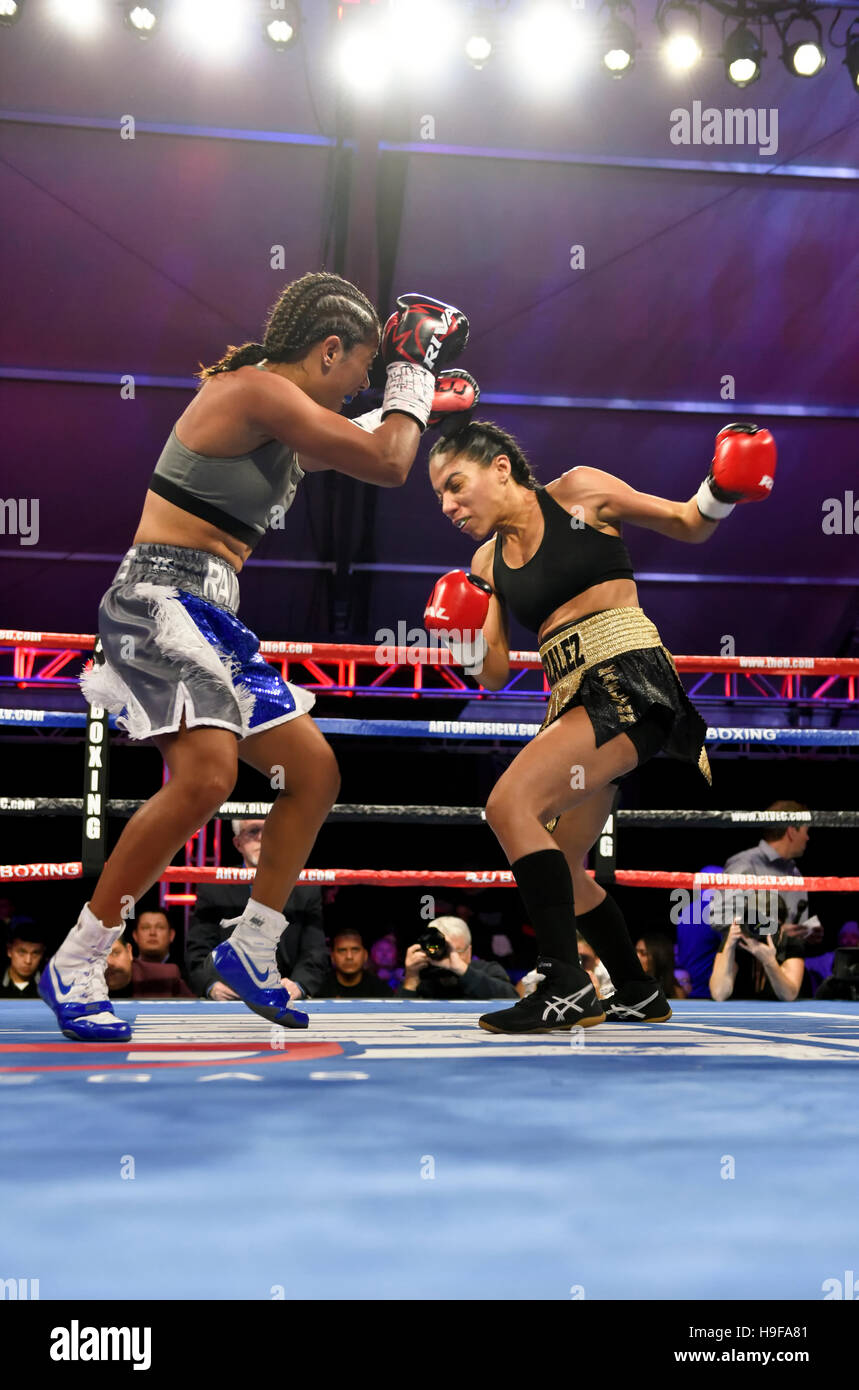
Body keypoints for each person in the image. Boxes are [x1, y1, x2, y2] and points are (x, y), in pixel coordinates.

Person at [37, 275, 469, 1042]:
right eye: (358, 371)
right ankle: (77, 958)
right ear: (327, 348)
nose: (357, 388)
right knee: (207, 775)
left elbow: (372, 435)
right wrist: (413, 372)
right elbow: (389, 460)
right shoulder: (255, 390)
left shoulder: (283, 420)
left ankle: (253, 945)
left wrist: (417, 394)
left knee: (313, 771)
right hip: (157, 600)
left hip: (213, 616)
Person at [426, 417, 776, 1033]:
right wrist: (460, 637)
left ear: (500, 466)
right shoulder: (486, 561)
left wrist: (723, 486)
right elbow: (492, 673)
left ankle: (564, 982)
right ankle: (637, 990)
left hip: (628, 680)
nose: (449, 505)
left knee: (509, 805)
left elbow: (687, 522)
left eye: (456, 485)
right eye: (440, 497)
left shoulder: (580, 493)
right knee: (561, 858)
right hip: (572, 701)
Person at [185, 817, 326, 1001]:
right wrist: (211, 985)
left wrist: (298, 985)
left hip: (285, 998)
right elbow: (197, 951)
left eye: (271, 831)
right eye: (253, 831)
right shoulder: (214, 888)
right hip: (229, 1000)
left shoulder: (304, 888)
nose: (263, 838)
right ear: (238, 843)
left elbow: (315, 951)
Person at [722, 801, 823, 953]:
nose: (807, 838)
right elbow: (722, 919)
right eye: (805, 831)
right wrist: (776, 930)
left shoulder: (796, 874)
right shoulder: (745, 864)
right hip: (750, 967)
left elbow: (792, 928)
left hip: (788, 969)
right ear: (791, 831)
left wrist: (806, 932)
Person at [708, 899, 805, 1002]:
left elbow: (789, 995)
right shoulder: (737, 941)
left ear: (782, 927)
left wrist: (770, 962)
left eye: (772, 926)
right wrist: (729, 946)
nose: (764, 931)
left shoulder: (789, 944)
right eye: (758, 925)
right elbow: (719, 994)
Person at [398, 916, 517, 1000]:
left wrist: (463, 970)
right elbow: (396, 1019)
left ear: (469, 951)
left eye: (455, 951)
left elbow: (512, 1000)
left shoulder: (488, 970)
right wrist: (411, 979)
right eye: (442, 949)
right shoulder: (421, 974)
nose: (448, 955)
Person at [105, 937, 195, 999]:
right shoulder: (90, 985)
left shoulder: (165, 977)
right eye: (100, 956)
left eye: (115, 953)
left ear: (129, 951)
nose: (109, 962)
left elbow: (195, 1012)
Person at [316, 930, 391, 998]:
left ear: (365, 955)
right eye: (342, 950)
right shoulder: (318, 989)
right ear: (332, 957)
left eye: (355, 950)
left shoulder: (380, 990)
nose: (349, 956)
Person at [635, 933, 689, 1001]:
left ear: (658, 957)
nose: (636, 956)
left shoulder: (676, 992)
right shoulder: (632, 987)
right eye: (635, 951)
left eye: (643, 953)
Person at [1, 919, 47, 999]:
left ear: (42, 953)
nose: (28, 961)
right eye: (21, 952)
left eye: (35, 953)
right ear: (9, 951)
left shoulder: (51, 988)